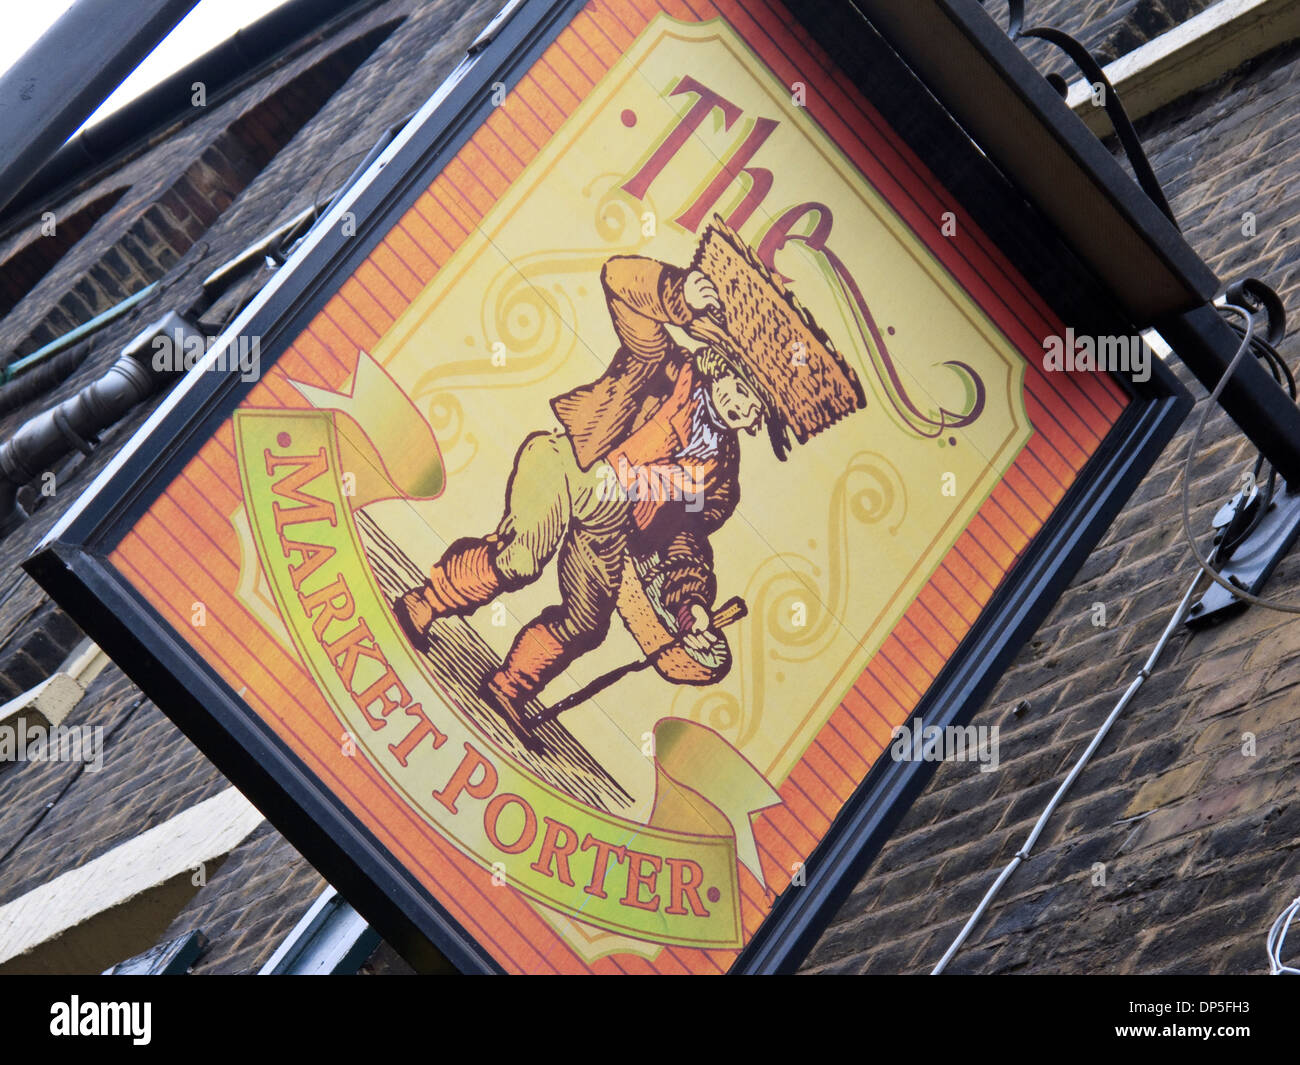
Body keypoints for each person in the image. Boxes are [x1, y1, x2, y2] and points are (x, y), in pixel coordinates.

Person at [393, 253, 773, 740]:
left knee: (588, 623)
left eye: (752, 406)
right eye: (741, 387)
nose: (740, 404)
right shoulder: (661, 364)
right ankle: (424, 603)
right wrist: (678, 293)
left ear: (757, 421)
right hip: (569, 463)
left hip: (610, 523)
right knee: (519, 559)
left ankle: (508, 687)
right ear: (721, 368)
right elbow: (620, 284)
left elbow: (685, 536)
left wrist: (690, 603)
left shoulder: (718, 475)